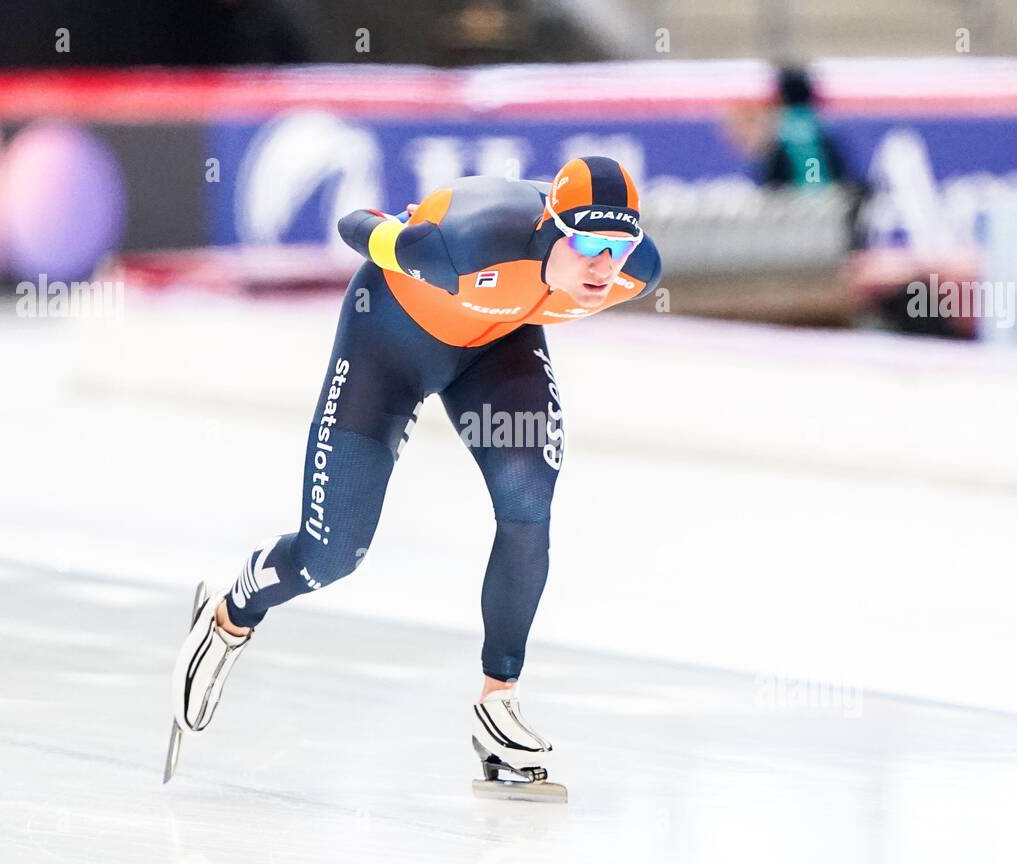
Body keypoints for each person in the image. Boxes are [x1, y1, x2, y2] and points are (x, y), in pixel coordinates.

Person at [167, 155, 662, 799]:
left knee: (527, 502)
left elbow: (601, 262)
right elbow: (353, 223)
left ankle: (498, 705)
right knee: (332, 555)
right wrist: (398, 230)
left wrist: (603, 256)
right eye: (589, 245)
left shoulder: (635, 273)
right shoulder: (462, 248)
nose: (603, 267)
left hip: (495, 348)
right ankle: (231, 613)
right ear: (550, 227)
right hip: (388, 348)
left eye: (617, 247)